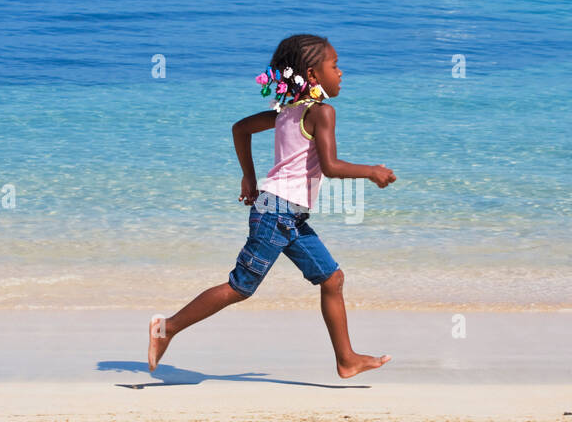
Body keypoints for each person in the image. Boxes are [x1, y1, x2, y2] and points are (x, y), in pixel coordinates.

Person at [148, 34, 396, 378]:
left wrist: (248, 179)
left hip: (286, 215)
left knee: (332, 279)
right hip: (277, 213)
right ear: (312, 75)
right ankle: (167, 327)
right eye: (335, 66)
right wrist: (372, 172)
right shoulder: (322, 112)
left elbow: (240, 129)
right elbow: (330, 166)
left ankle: (346, 359)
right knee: (239, 287)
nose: (341, 73)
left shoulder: (286, 112)